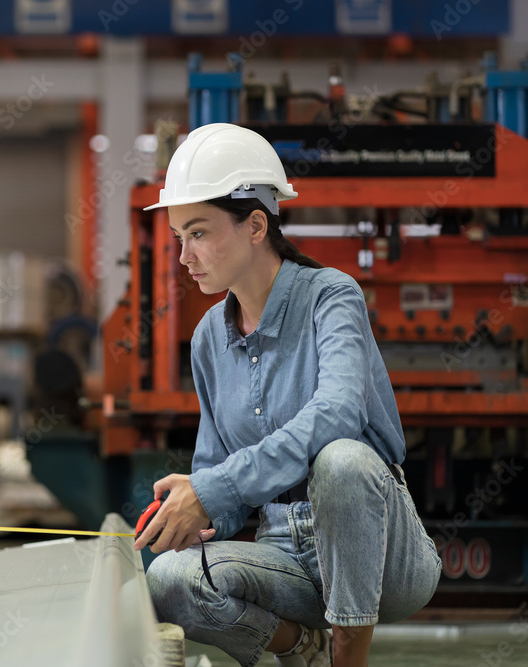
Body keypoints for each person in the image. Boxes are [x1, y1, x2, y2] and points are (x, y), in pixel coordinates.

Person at [132, 123, 441, 667]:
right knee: (170, 579)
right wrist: (191, 513)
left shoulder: (331, 296)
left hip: (383, 553)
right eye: (179, 236)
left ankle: (350, 657)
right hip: (285, 557)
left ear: (255, 225)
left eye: (199, 233)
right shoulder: (208, 337)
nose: (184, 257)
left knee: (341, 459)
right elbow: (219, 474)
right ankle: (304, 649)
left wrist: (216, 487)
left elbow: (340, 412)